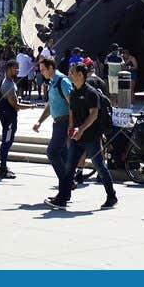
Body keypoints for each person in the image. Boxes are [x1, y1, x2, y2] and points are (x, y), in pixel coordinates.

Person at [49, 63, 116, 210]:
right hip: (77, 139)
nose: (69, 74)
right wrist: (72, 128)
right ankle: (62, 198)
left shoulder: (91, 93)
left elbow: (94, 114)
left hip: (91, 138)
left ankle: (112, 196)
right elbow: (72, 111)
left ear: (81, 75)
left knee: (100, 167)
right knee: (69, 168)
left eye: (72, 72)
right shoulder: (73, 93)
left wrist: (81, 129)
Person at [32, 55, 73, 199]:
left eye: (43, 69)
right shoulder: (52, 82)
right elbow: (51, 105)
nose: (41, 72)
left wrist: (72, 125)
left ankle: (67, 185)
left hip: (64, 123)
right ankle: (65, 191)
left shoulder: (63, 81)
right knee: (62, 155)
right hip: (57, 123)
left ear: (51, 68)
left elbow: (72, 104)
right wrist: (40, 121)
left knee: (52, 153)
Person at [0, 58, 37, 179]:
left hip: (8, 115)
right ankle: (2, 168)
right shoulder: (8, 84)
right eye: (14, 68)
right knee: (6, 142)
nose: (17, 70)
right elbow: (15, 105)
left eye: (18, 68)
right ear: (8, 69)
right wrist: (32, 106)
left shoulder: (9, 82)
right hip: (9, 117)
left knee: (7, 141)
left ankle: (4, 166)